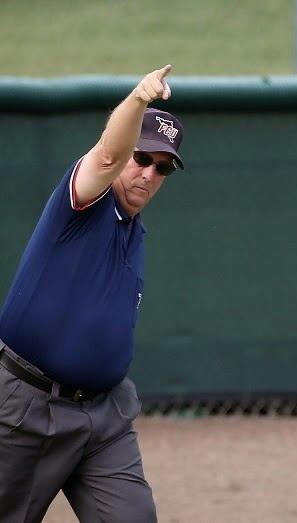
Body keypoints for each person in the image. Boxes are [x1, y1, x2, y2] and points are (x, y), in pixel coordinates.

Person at [0, 64, 185, 523]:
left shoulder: (135, 230)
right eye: (142, 157)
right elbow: (106, 156)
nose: (148, 173)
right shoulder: (84, 203)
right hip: (27, 408)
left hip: (105, 416)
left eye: (162, 168)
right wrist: (139, 98)